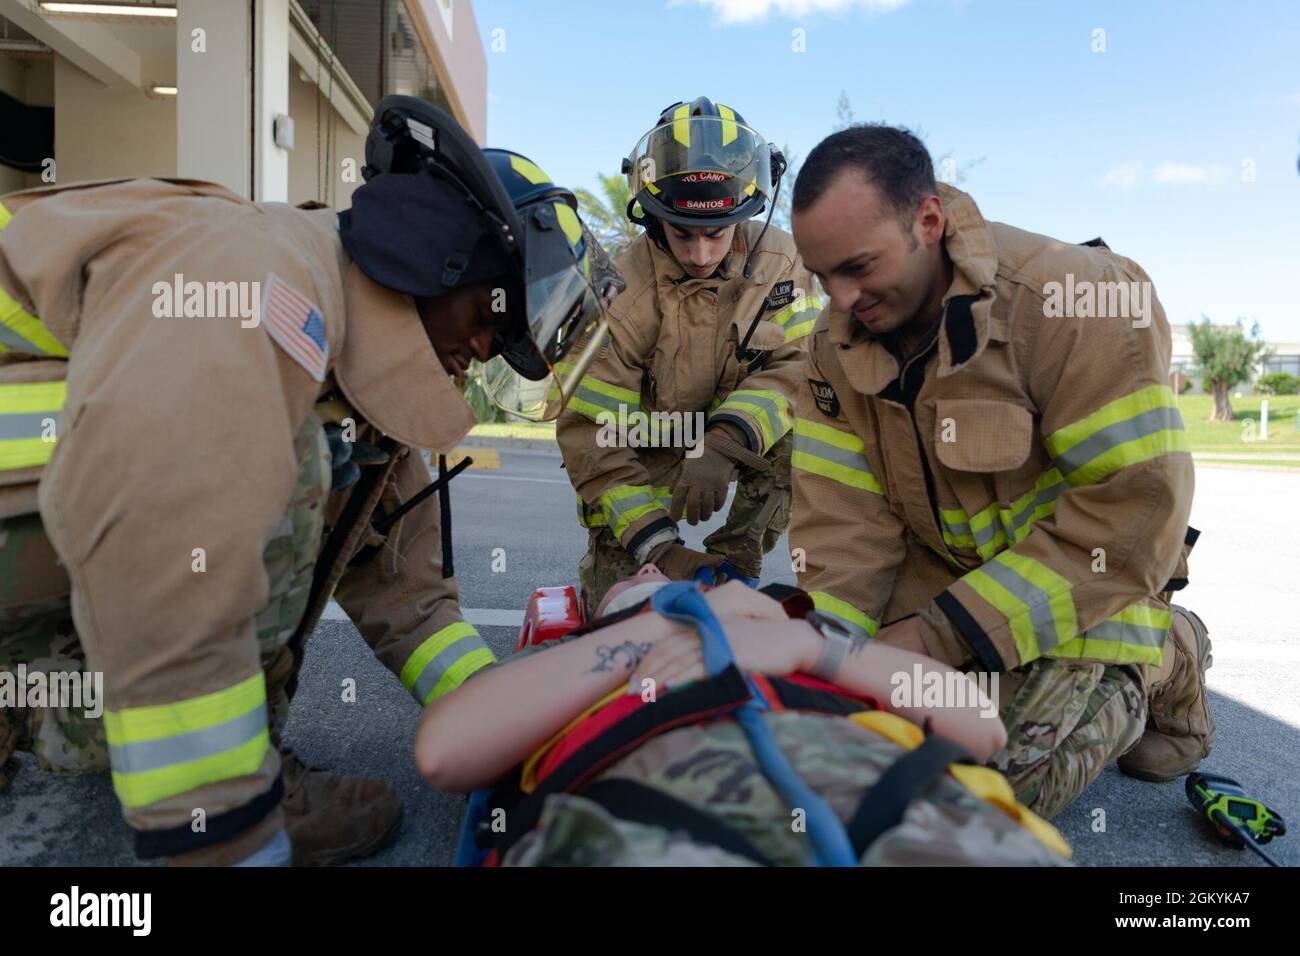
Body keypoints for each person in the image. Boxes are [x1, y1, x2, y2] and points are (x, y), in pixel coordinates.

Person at [0, 96, 618, 866]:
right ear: (441, 255)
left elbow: (406, 597)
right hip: (70, 509)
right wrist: (228, 832)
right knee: (292, 465)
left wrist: (514, 726)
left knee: (311, 463)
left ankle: (26, 702)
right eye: (493, 321)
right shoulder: (258, 276)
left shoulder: (353, 376)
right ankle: (229, 783)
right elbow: (165, 523)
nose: (484, 354)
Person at [785, 124, 1213, 818]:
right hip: (946, 582)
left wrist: (934, 637)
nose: (839, 299)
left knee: (983, 794)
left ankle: (1168, 653)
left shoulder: (1075, 300)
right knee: (858, 756)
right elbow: (842, 524)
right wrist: (830, 661)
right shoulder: (836, 345)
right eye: (822, 275)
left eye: (858, 267)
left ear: (928, 221)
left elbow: (1135, 517)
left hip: (1089, 584)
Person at [416, 568, 1072, 866]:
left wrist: (811, 646)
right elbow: (444, 752)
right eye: (638, 577)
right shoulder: (583, 666)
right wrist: (658, 624)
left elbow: (981, 724)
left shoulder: (796, 643)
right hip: (648, 830)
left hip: (912, 817)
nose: (651, 568)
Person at [555, 98, 826, 614]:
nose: (701, 256)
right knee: (623, 612)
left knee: (807, 435)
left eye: (717, 235)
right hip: (643, 458)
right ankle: (648, 559)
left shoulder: (782, 263)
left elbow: (800, 367)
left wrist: (726, 441)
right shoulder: (616, 292)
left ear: (743, 216)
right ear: (654, 217)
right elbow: (591, 434)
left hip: (736, 445)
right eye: (682, 234)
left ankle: (734, 570)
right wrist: (660, 549)